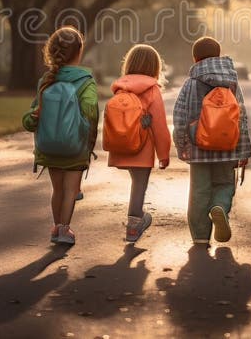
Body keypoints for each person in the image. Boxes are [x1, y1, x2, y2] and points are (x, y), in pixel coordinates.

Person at [22, 26, 98, 246]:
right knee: (70, 190)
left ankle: (56, 227)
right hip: (74, 146)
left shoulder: (46, 79)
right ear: (79, 52)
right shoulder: (85, 80)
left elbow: (35, 111)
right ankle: (65, 229)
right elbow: (91, 110)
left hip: (49, 146)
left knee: (57, 189)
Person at [173, 36, 251, 247]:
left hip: (198, 148)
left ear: (195, 59)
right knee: (225, 183)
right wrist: (244, 150)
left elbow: (180, 116)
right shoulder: (232, 83)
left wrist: (182, 146)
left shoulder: (190, 83)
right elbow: (241, 117)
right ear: (218, 56)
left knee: (199, 191)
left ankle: (200, 236)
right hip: (228, 147)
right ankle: (219, 206)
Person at [105, 44, 172, 242]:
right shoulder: (151, 89)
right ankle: (134, 226)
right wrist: (164, 154)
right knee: (139, 184)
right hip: (142, 148)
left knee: (136, 181)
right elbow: (159, 125)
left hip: (120, 145)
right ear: (155, 67)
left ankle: (139, 219)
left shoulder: (120, 87)